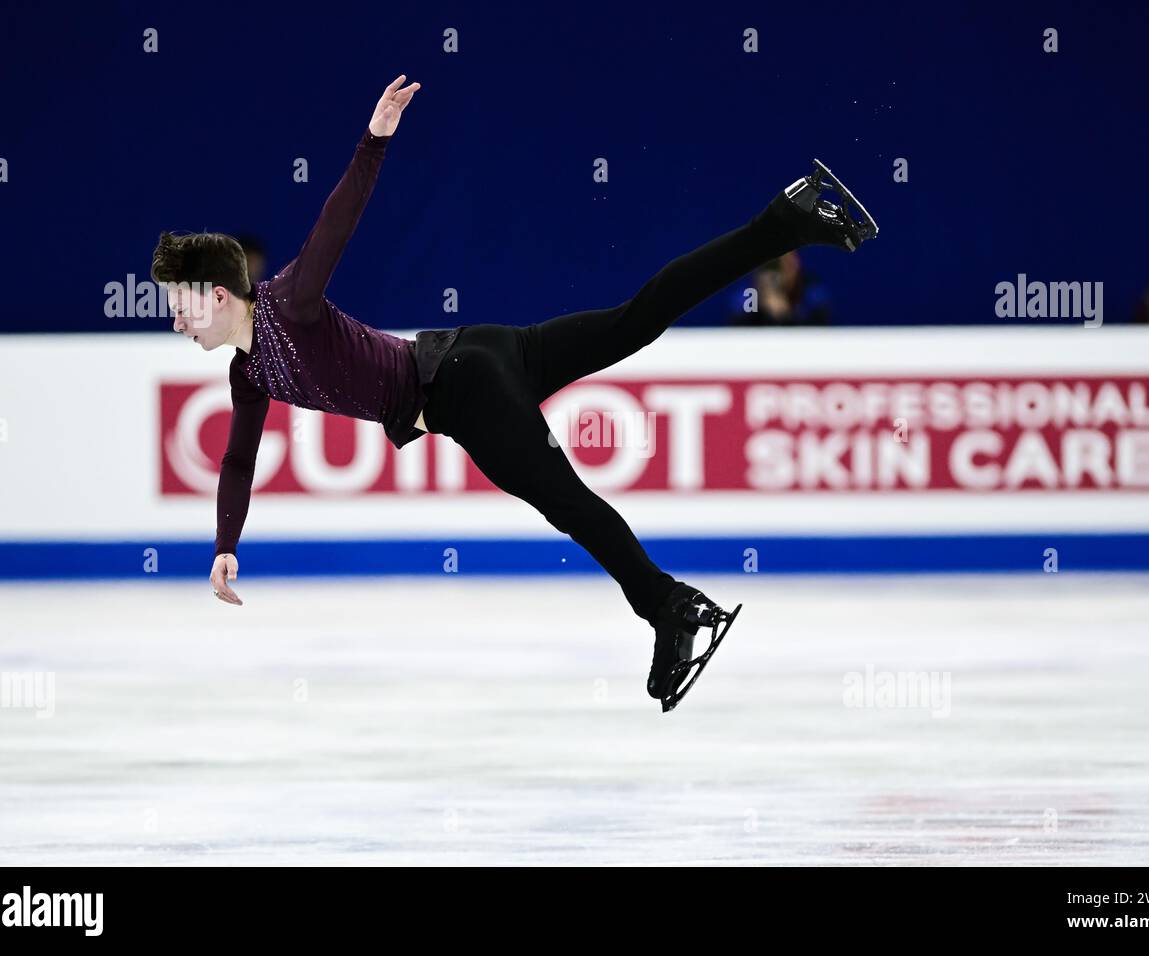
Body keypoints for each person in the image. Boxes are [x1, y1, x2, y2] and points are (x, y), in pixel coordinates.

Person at [151, 75, 877, 710]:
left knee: (568, 503)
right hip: (479, 349)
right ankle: (782, 222)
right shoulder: (248, 372)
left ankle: (668, 608)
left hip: (462, 388)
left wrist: (374, 139)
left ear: (217, 295)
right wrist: (225, 545)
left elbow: (336, 221)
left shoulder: (288, 305)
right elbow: (239, 461)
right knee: (637, 320)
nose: (175, 319)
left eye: (180, 303)